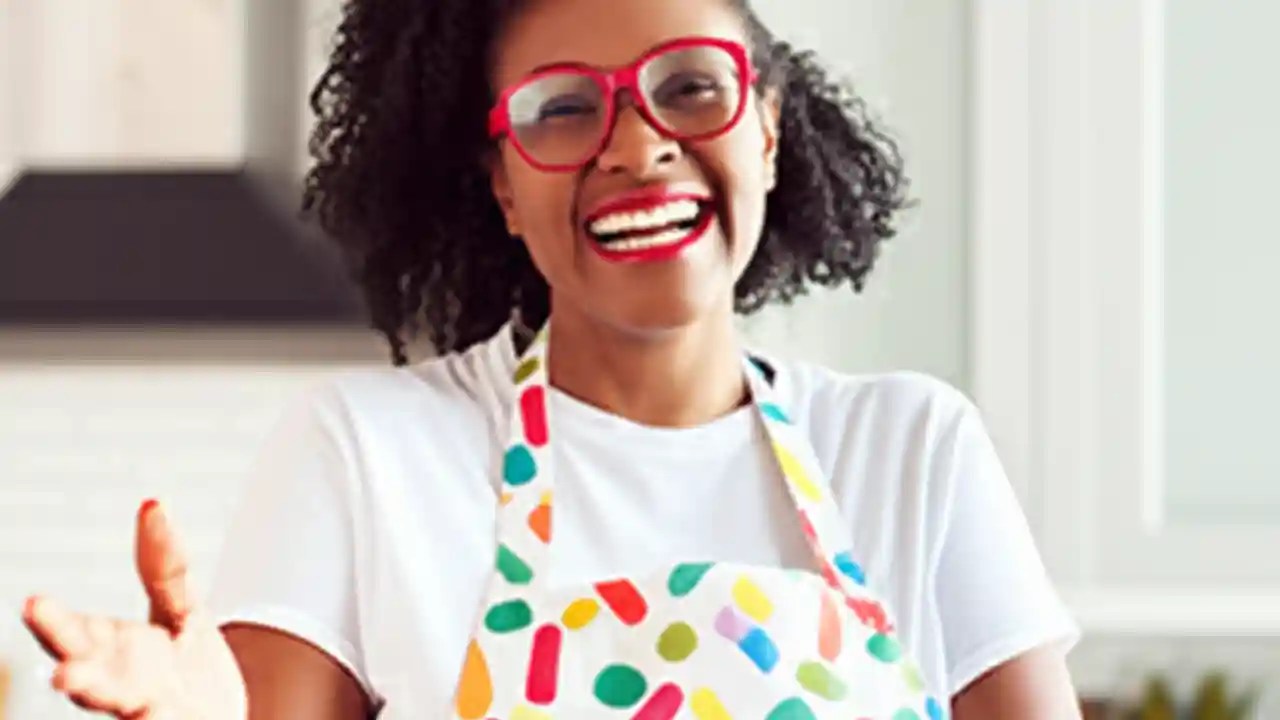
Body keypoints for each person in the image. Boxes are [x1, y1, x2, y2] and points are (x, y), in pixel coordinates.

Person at [21, 0, 1083, 717]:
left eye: (690, 87)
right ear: (500, 185)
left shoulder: (909, 450)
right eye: (562, 110)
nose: (635, 145)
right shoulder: (366, 454)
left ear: (764, 124)